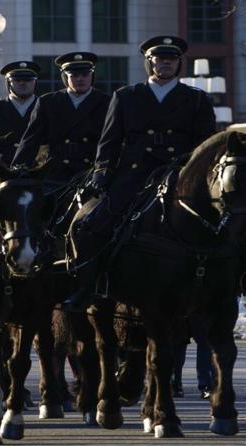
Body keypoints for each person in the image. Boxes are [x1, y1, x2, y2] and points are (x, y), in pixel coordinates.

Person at [66, 35, 217, 309]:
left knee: (227, 222)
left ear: (179, 64)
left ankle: (238, 281)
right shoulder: (126, 96)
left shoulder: (195, 99)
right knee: (90, 225)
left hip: (179, 173)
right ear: (150, 63)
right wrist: (101, 172)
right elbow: (109, 141)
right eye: (159, 59)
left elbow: (206, 144)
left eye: (171, 60)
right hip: (135, 173)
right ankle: (90, 286)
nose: (166, 64)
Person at [11, 52, 108, 179]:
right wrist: (18, 168)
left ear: (92, 75)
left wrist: (103, 170)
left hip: (91, 172)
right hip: (56, 173)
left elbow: (113, 141)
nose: (80, 79)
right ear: (65, 77)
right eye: (74, 75)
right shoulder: (48, 102)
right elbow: (31, 139)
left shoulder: (106, 102)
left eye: (85, 74)